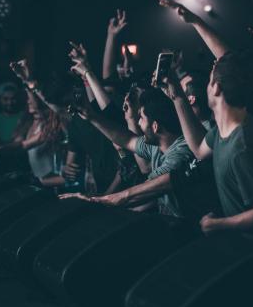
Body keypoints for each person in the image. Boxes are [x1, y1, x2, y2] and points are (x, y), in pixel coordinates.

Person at [165, 50, 253, 235]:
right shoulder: (225, 128)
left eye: (209, 81)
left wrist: (218, 224)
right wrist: (177, 94)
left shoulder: (242, 147)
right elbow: (199, 149)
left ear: (216, 88)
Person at [69, 89, 195, 217]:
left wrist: (93, 200)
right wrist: (91, 116)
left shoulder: (179, 155)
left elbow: (139, 193)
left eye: (142, 118)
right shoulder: (158, 146)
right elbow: (128, 140)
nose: (138, 123)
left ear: (155, 126)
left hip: (184, 225)